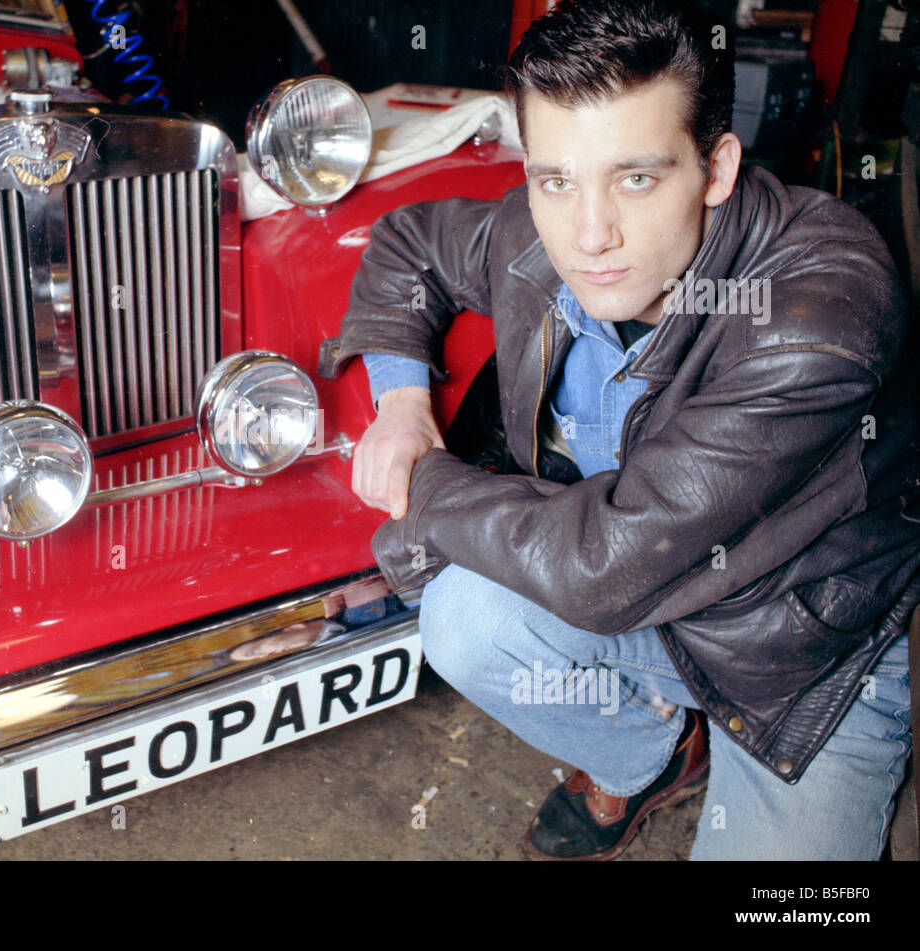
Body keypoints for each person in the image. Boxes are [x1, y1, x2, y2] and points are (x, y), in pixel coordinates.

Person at [317, 0, 920, 860]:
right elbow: (408, 242)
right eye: (556, 178)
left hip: (800, 654)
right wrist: (403, 402)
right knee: (465, 620)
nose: (588, 235)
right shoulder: (544, 227)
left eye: (636, 178)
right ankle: (650, 749)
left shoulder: (819, 310)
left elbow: (604, 566)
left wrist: (422, 486)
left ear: (716, 169)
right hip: (645, 595)